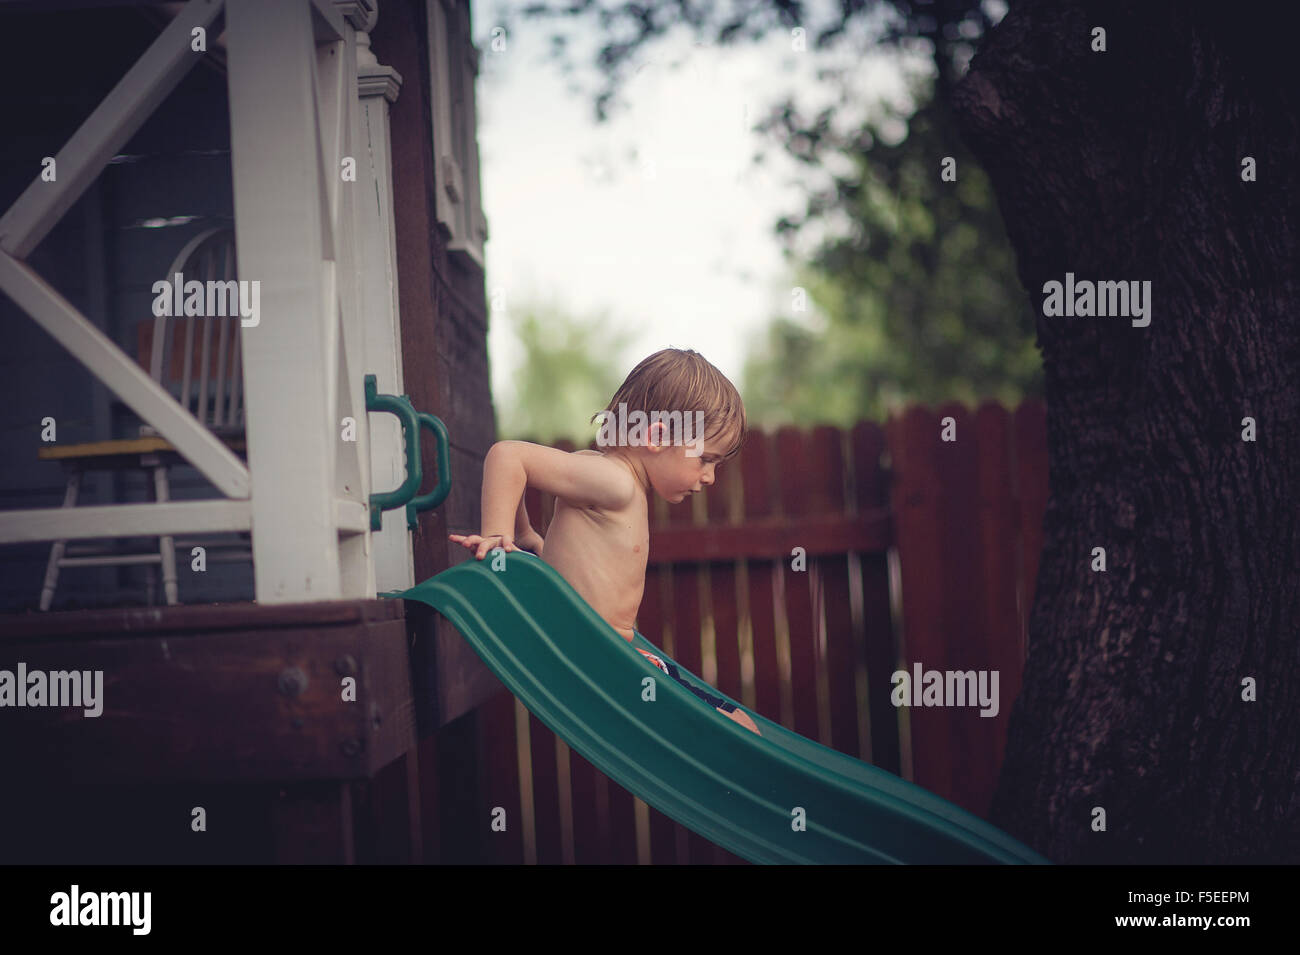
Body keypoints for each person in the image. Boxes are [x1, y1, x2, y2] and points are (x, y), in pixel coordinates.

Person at [449, 348, 761, 735]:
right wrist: (499, 534)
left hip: (609, 654)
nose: (710, 477)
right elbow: (508, 456)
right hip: (595, 660)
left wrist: (528, 536)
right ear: (657, 436)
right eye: (706, 460)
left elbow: (524, 472)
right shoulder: (615, 482)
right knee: (737, 728)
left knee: (733, 724)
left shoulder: (614, 480)